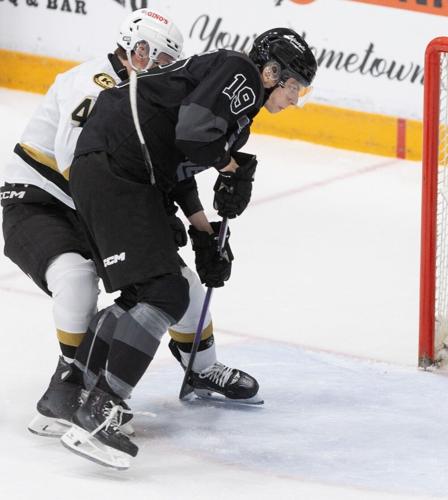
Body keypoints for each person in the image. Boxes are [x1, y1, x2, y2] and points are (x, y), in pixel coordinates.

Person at [60, 27, 317, 468]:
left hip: (119, 167)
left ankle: (66, 392)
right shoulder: (240, 73)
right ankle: (100, 414)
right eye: (294, 86)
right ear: (271, 72)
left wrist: (203, 232)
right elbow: (194, 133)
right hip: (117, 165)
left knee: (149, 292)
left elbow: (179, 164)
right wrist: (232, 168)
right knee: (167, 293)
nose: (295, 99)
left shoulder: (239, 113)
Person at [0, 9, 260, 441]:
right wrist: (150, 216)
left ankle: (201, 369)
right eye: (160, 61)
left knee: (180, 282)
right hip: (41, 204)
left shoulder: (143, 94)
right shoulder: (93, 84)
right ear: (138, 50)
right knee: (77, 278)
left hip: (96, 208)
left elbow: (164, 168)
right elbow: (78, 164)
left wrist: (199, 229)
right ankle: (68, 387)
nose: (165, 71)